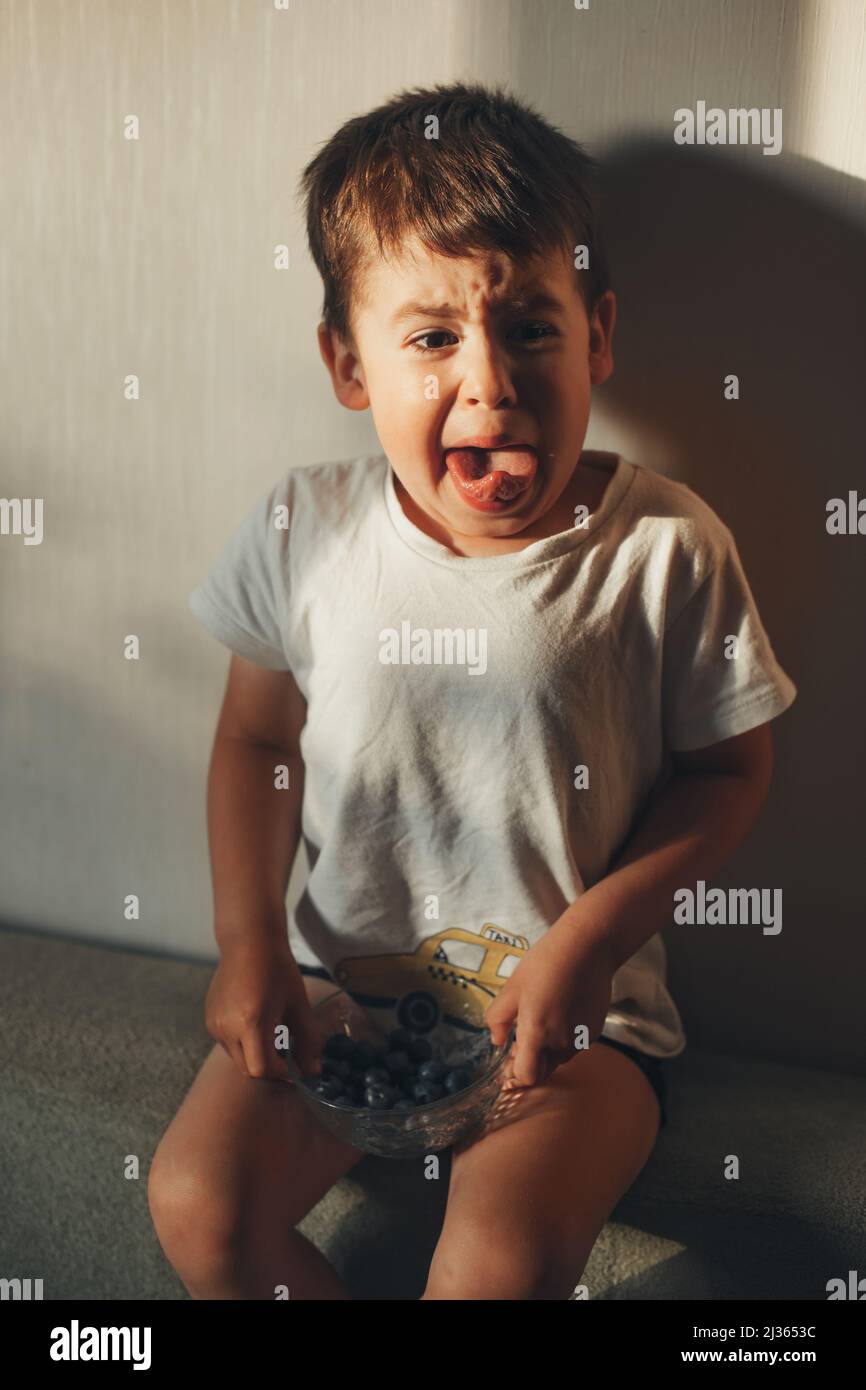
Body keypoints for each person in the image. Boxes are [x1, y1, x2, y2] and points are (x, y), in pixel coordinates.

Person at [148, 81, 797, 1300]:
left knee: (492, 1264)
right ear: (348, 362)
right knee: (194, 1199)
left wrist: (588, 941)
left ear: (597, 335)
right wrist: (249, 948)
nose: (491, 384)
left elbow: (729, 769)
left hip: (575, 1038)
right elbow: (253, 742)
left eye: (531, 329)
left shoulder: (663, 545)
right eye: (432, 336)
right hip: (348, 1007)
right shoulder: (303, 529)